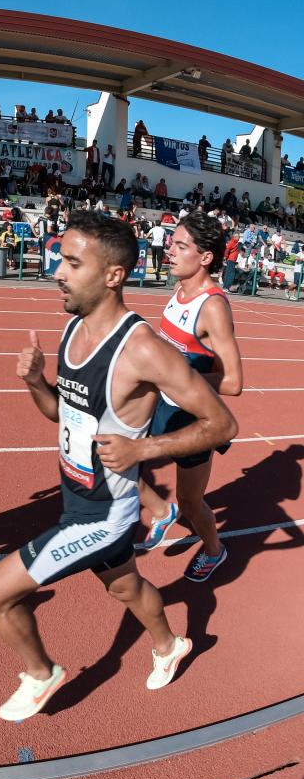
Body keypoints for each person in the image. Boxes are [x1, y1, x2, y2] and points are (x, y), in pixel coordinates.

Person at [0, 211, 237, 721]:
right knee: (125, 586)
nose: (58, 272)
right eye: (61, 260)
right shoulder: (74, 329)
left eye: (73, 263)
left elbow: (222, 423)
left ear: (113, 275)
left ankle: (40, 673)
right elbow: (60, 413)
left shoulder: (143, 349)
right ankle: (170, 645)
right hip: (76, 494)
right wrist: (36, 382)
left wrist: (143, 451)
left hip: (104, 514)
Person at [138, 213, 243, 582]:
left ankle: (214, 550)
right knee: (110, 453)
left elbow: (233, 382)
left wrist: (179, 377)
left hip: (194, 418)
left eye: (181, 246)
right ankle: (159, 510)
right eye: (172, 243)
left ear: (205, 258)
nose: (170, 251)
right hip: (160, 403)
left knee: (190, 501)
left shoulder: (212, 306)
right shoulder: (180, 289)